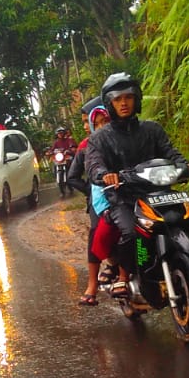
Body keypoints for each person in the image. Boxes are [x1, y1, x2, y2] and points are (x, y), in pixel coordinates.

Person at [85, 72, 189, 307]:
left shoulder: (152, 129)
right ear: (110, 104)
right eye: (117, 99)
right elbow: (94, 165)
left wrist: (185, 166)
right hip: (122, 198)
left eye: (128, 97)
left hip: (158, 192)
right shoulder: (100, 139)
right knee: (131, 233)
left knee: (187, 217)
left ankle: (181, 264)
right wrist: (104, 175)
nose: (124, 103)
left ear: (137, 99)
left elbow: (170, 152)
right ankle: (126, 276)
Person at [66, 100, 110, 305]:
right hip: (100, 197)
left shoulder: (126, 137)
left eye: (87, 121)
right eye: (89, 122)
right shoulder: (86, 146)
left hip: (129, 190)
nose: (86, 126)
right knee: (96, 232)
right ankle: (92, 285)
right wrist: (92, 191)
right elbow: (72, 176)